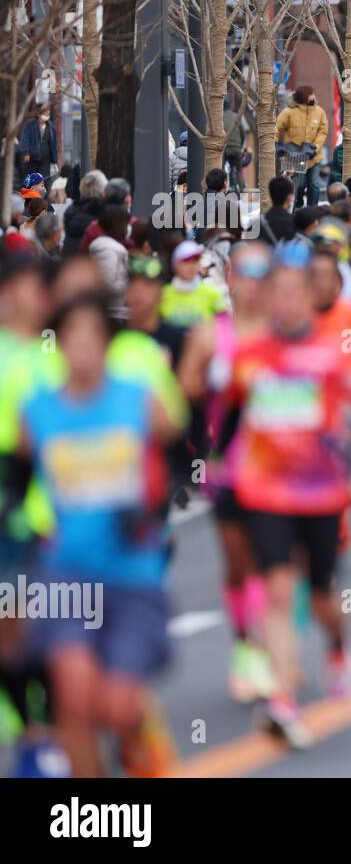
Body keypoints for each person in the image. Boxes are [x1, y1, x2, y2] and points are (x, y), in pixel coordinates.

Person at [17, 294, 185, 776]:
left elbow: (176, 449)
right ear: (58, 346)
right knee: (73, 698)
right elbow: (18, 477)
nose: (83, 349)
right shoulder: (38, 412)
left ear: (108, 346)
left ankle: (140, 736)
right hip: (65, 570)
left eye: (94, 338)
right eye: (73, 338)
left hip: (132, 570)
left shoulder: (137, 397)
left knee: (116, 706)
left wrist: (152, 506)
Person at [221, 251, 351, 747]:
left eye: (297, 293)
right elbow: (229, 418)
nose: (287, 302)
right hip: (266, 490)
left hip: (322, 493)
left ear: (310, 298)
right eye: (279, 293)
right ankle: (283, 699)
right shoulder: (249, 355)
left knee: (319, 595)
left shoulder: (336, 349)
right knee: (277, 589)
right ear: (267, 298)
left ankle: (338, 648)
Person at [177, 242, 276, 704]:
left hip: (282, 469)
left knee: (275, 563)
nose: (253, 283)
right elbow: (184, 392)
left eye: (263, 273)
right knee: (239, 563)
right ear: (231, 277)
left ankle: (268, 652)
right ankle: (245, 646)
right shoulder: (211, 333)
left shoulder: (288, 332)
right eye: (246, 272)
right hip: (230, 466)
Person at [275, 86, 329, 207]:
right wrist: (276, 144)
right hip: (296, 157)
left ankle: (312, 208)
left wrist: (315, 147)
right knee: (299, 184)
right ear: (304, 96)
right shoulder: (289, 112)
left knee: (314, 184)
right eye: (311, 94)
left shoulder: (319, 112)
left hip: (314, 157)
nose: (314, 96)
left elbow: (323, 131)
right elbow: (276, 128)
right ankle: (298, 205)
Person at [17, 105, 57, 182]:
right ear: (39, 114)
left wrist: (54, 160)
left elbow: (53, 143)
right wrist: (26, 152)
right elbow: (25, 138)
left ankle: (42, 194)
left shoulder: (51, 126)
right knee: (32, 179)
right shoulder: (30, 124)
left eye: (48, 112)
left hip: (46, 158)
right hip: (32, 158)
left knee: (44, 180)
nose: (47, 114)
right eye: (45, 113)